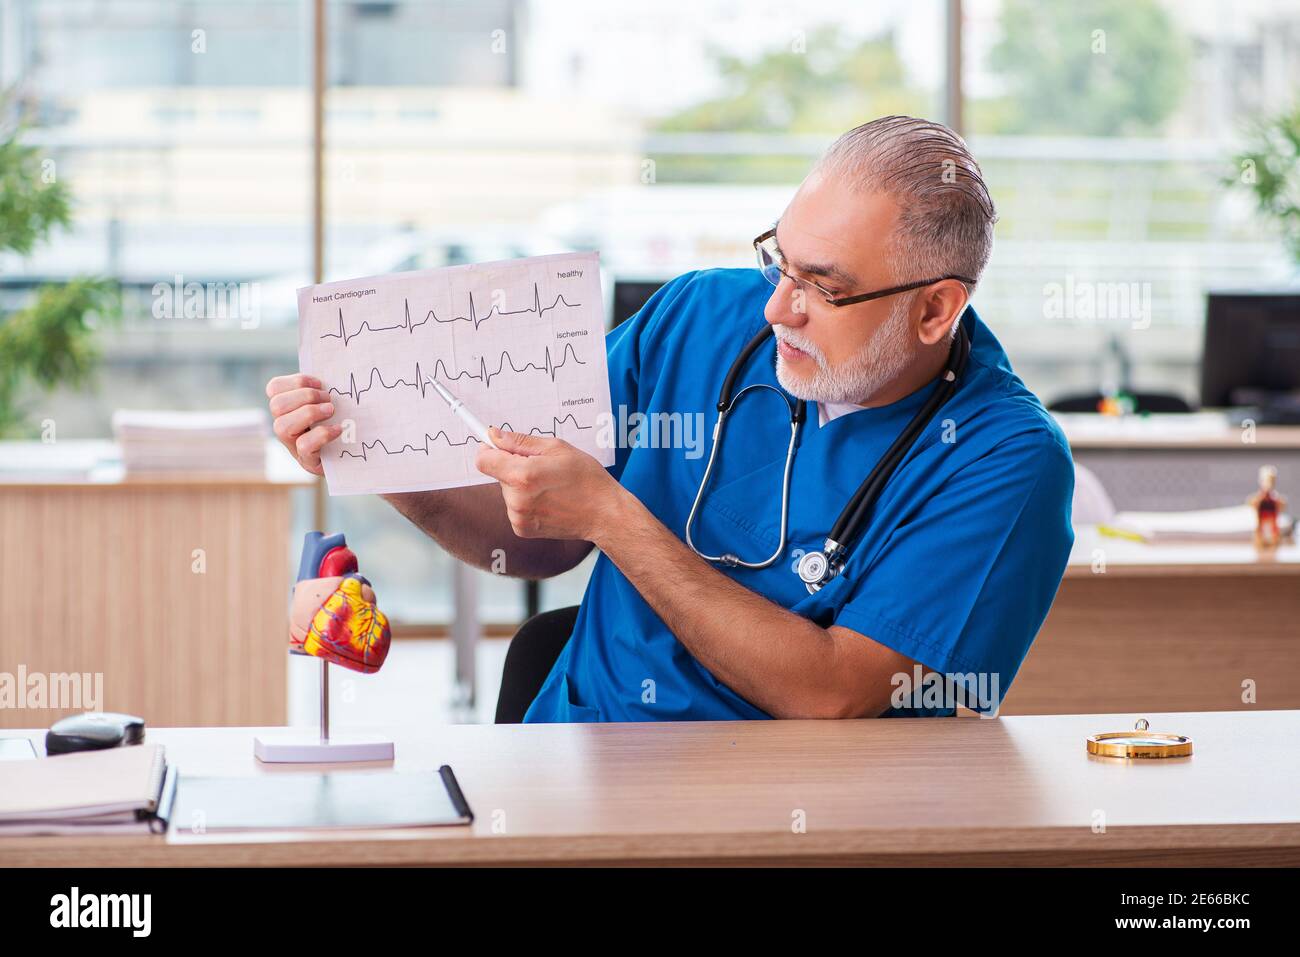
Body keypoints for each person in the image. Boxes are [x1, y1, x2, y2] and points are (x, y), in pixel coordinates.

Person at [266, 115, 1075, 722]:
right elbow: (537, 541)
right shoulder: (696, 319)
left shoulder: (1004, 460)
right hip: (573, 758)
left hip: (796, 820)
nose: (777, 309)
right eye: (777, 260)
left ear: (936, 309)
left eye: (822, 287)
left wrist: (617, 517)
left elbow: (835, 692)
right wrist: (385, 460)